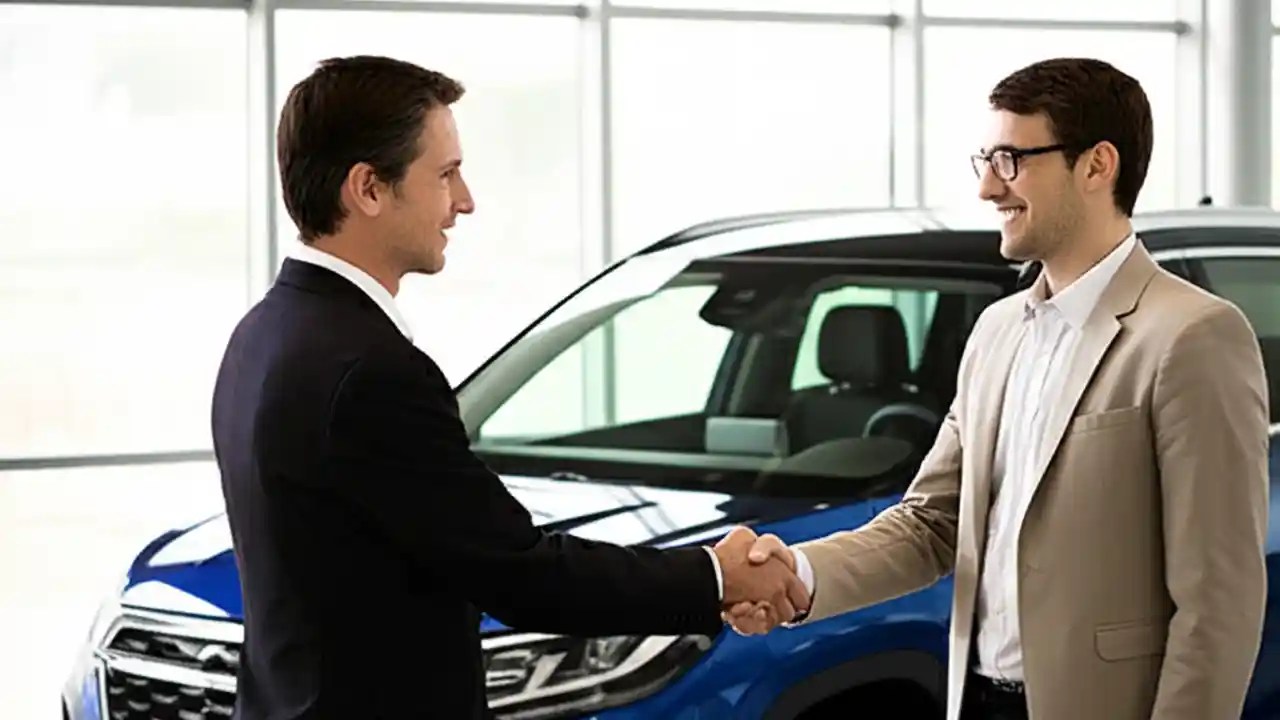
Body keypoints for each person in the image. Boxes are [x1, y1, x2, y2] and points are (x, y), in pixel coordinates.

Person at [210, 55, 808, 720]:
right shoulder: (369, 372)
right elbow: (520, 573)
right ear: (369, 189)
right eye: (445, 174)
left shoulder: (260, 335)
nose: (464, 201)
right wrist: (717, 574)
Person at [726, 57, 1271, 720]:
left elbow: (1219, 598)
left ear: (1098, 166)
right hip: (976, 700)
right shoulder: (996, 331)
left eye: (1011, 159)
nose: (988, 187)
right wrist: (797, 574)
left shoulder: (1192, 336)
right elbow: (931, 521)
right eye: (985, 158)